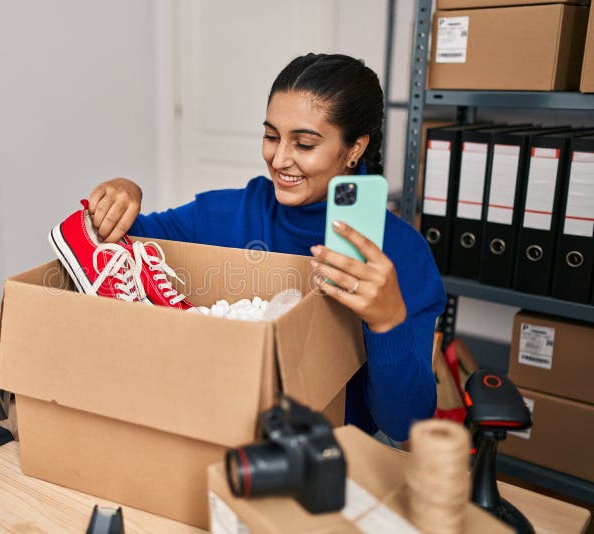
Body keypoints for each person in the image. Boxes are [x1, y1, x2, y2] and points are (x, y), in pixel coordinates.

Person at [84, 53, 446, 442]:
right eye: (271, 136)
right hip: (218, 438)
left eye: (304, 143)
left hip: (331, 460)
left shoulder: (401, 253)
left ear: (355, 148)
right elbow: (114, 240)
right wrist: (124, 192)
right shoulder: (225, 213)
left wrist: (387, 321)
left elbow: (404, 424)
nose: (279, 158)